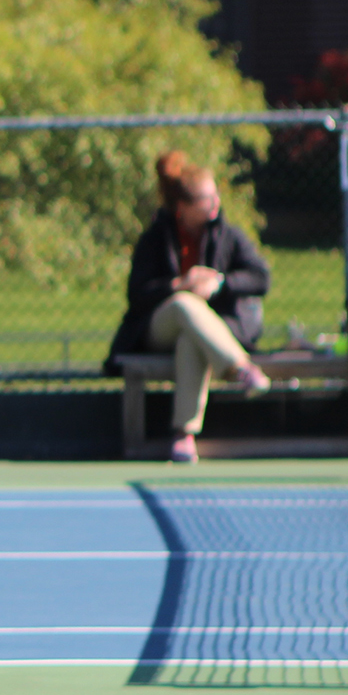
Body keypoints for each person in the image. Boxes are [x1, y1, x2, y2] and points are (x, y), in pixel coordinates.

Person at [105, 151, 272, 463]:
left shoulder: (228, 235)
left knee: (190, 340)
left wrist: (219, 283)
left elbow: (261, 278)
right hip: (159, 327)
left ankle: (184, 435)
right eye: (206, 200)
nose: (215, 204)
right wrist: (180, 284)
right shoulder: (155, 238)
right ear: (183, 208)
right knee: (184, 305)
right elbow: (137, 294)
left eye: (215, 196)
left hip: (208, 331)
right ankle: (240, 367)